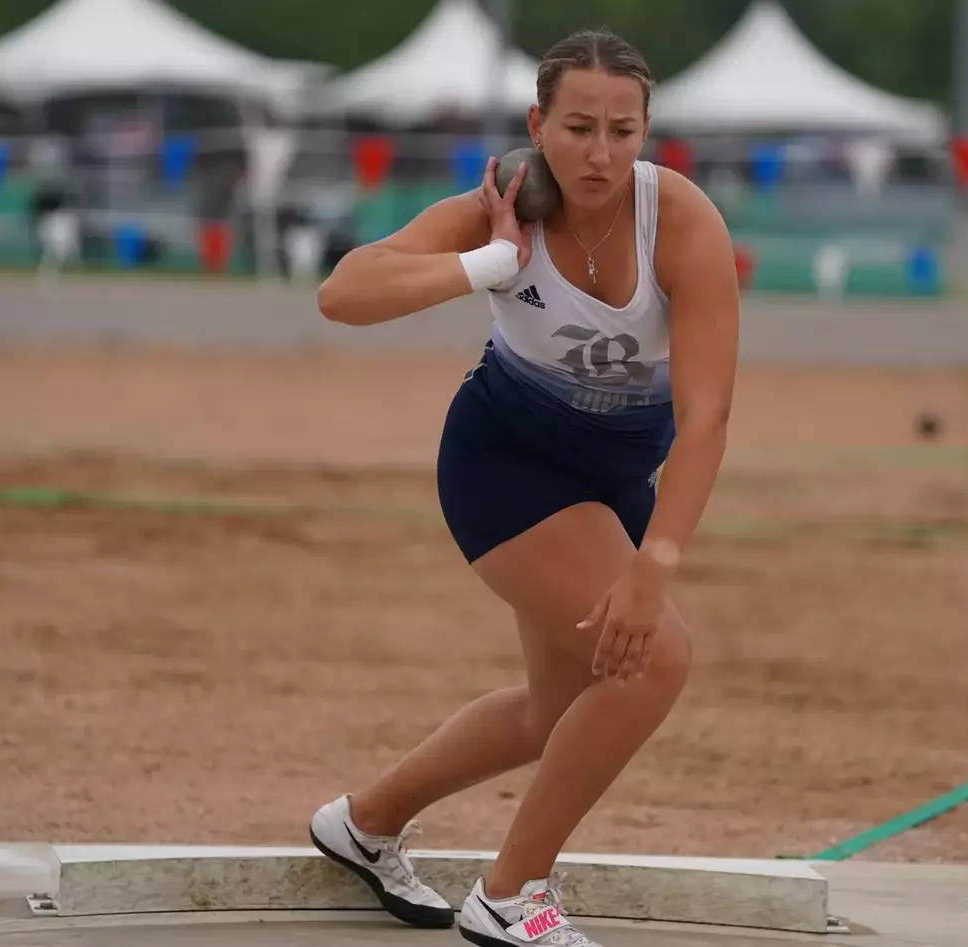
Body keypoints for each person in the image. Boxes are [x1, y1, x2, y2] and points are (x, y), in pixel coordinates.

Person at [309, 28, 740, 947]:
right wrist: (489, 266)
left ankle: (364, 823)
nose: (600, 153)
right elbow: (343, 293)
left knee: (556, 712)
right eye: (578, 127)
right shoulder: (502, 208)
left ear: (647, 131)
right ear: (537, 125)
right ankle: (510, 894)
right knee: (653, 660)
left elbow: (706, 419)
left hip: (617, 474)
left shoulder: (685, 222)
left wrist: (655, 563)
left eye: (623, 131)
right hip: (504, 464)